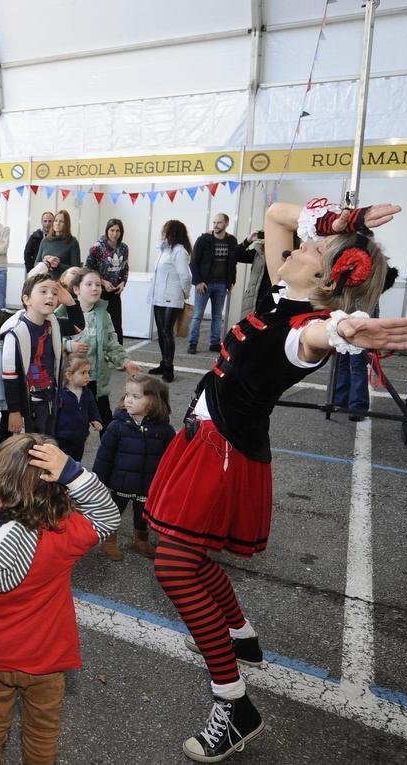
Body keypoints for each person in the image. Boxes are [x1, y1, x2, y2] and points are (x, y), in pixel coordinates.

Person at [146, 199, 407, 762]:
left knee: (175, 565)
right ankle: (241, 634)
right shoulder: (283, 293)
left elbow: (324, 334)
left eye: (313, 248)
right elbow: (279, 215)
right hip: (206, 439)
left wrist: (348, 327)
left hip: (221, 455)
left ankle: (234, 706)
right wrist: (344, 222)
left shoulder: (303, 326)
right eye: (308, 242)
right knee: (192, 554)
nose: (300, 243)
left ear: (325, 280)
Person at [0, 434, 118, 765]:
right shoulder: (58, 532)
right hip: (47, 658)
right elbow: (107, 517)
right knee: (42, 733)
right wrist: (73, 472)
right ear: (51, 488)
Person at [91, 373, 174, 560]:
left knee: (143, 513)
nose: (128, 400)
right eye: (127, 395)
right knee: (114, 511)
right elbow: (104, 455)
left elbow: (170, 458)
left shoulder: (163, 429)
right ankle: (109, 539)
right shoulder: (117, 426)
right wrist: (98, 480)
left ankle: (140, 539)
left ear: (154, 401)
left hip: (148, 483)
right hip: (121, 482)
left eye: (135, 397)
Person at [1, 272, 73, 437]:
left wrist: (70, 302)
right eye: (43, 291)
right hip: (29, 405)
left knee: (47, 446)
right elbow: (9, 375)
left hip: (49, 399)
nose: (50, 296)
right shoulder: (15, 332)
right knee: (28, 451)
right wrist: (14, 411)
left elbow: (77, 326)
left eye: (54, 293)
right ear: (27, 300)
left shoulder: (52, 323)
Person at [59, 269, 138, 415]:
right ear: (76, 289)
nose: (95, 288)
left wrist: (125, 362)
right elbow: (50, 342)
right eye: (89, 284)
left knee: (104, 417)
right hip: (70, 380)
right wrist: (69, 346)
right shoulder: (62, 314)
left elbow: (111, 344)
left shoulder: (103, 315)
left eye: (98, 285)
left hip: (95, 378)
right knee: (70, 421)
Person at [189, 214, 260, 354]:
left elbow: (235, 258)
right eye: (214, 222)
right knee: (197, 315)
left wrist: (231, 282)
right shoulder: (204, 239)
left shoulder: (231, 240)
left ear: (226, 224)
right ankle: (193, 343)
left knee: (217, 316)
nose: (215, 225)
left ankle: (214, 343)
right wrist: (198, 281)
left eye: (219, 223)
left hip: (222, 285)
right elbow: (193, 262)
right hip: (204, 284)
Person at [147, 219, 193, 383]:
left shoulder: (179, 251)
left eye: (165, 230)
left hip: (172, 297)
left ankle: (169, 367)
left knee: (167, 332)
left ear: (172, 232)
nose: (162, 233)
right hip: (158, 296)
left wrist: (185, 293)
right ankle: (163, 362)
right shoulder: (164, 249)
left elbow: (185, 276)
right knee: (160, 331)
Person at [85, 218, 129, 340]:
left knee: (116, 325)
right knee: (98, 323)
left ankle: (119, 355)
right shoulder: (97, 247)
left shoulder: (123, 248)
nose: (115, 234)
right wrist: (102, 282)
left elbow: (125, 268)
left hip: (114, 292)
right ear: (107, 231)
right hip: (99, 292)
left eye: (118, 231)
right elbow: (87, 269)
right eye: (112, 230)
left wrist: (123, 282)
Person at [54, 354, 103, 462]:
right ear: (69, 375)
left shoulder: (87, 392)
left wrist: (96, 419)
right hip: (62, 439)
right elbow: (53, 415)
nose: (87, 376)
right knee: (61, 464)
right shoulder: (60, 394)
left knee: (76, 462)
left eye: (88, 372)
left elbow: (92, 408)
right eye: (83, 373)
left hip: (80, 438)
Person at [36, 210, 80, 277]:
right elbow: (36, 263)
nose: (57, 223)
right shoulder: (45, 240)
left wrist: (57, 265)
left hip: (62, 284)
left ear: (66, 224)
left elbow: (76, 269)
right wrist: (45, 263)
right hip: (44, 282)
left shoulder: (73, 242)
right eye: (56, 220)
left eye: (61, 221)